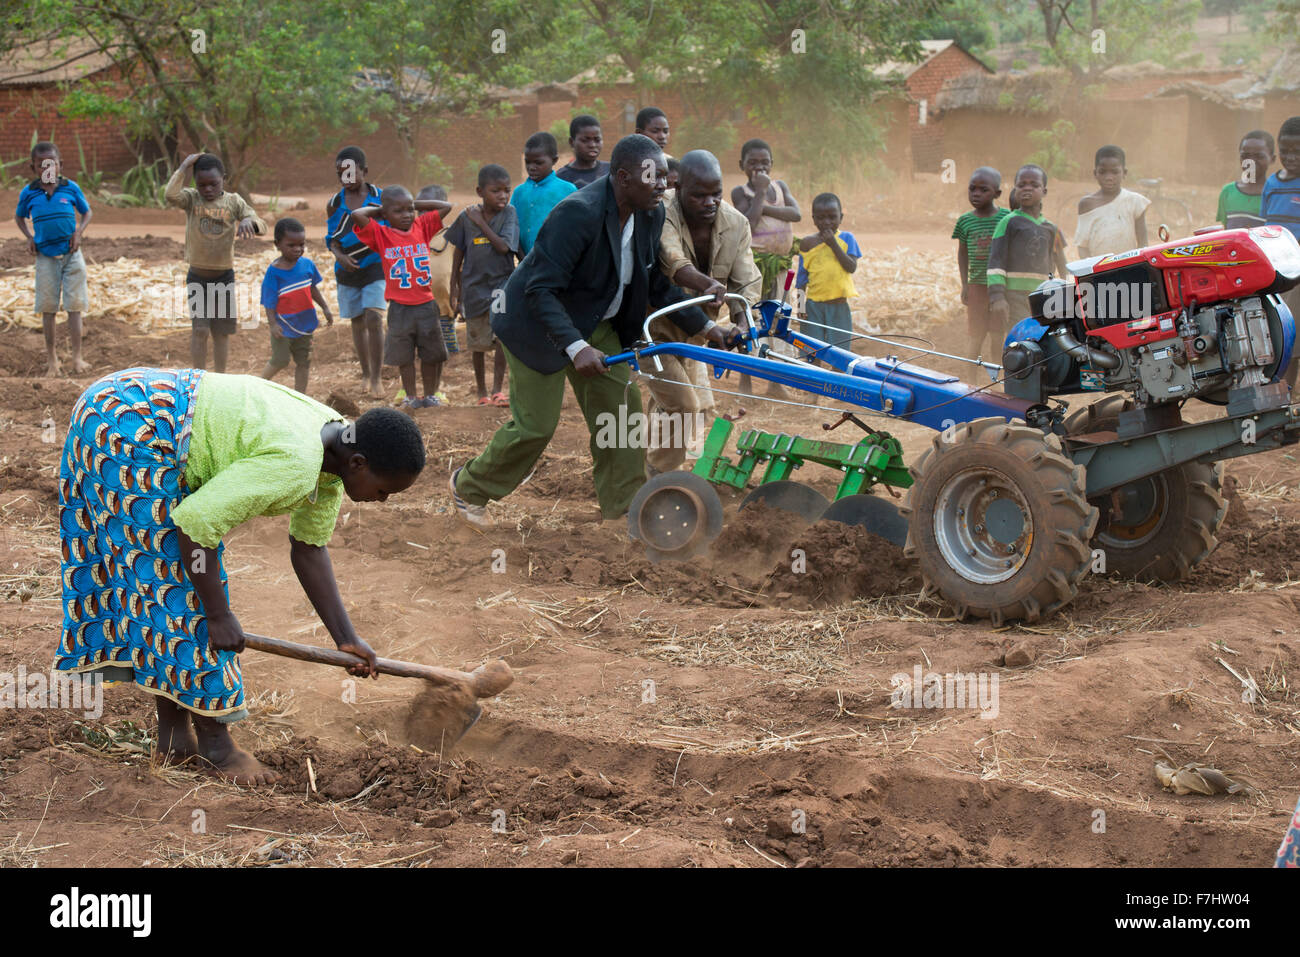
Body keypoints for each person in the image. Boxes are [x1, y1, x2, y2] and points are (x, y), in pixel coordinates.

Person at [55, 366, 426, 785]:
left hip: (136, 405)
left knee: (162, 585)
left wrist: (347, 638)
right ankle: (218, 749)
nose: (381, 500)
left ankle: (174, 740)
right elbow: (194, 525)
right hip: (129, 424)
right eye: (384, 490)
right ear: (359, 463)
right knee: (173, 583)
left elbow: (308, 549)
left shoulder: (333, 445)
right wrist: (217, 614)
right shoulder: (296, 462)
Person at [449, 135, 743, 527]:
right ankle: (469, 488)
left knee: (621, 415)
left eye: (664, 178)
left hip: (597, 322)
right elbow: (540, 289)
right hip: (537, 324)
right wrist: (574, 346)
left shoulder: (650, 214)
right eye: (653, 177)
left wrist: (707, 327)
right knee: (536, 426)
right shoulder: (577, 214)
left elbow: (652, 280)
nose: (663, 185)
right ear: (622, 177)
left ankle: (622, 510)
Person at [647, 149, 762, 476]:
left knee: (666, 404)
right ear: (678, 187)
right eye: (699, 195)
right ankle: (661, 482)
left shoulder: (736, 223)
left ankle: (645, 473)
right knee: (685, 405)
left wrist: (740, 321)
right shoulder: (661, 210)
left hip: (696, 332)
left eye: (717, 194)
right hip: (653, 328)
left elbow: (747, 280)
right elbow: (672, 260)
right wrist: (709, 285)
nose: (710, 202)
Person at [348, 185, 454, 410]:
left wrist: (413, 205)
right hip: (399, 308)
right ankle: (411, 396)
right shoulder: (381, 234)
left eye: (409, 210)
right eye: (398, 211)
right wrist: (379, 211)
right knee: (405, 357)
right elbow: (356, 215)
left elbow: (447, 206)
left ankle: (430, 395)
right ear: (385, 215)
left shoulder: (422, 226)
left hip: (426, 304)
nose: (406, 215)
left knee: (431, 354)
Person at [165, 153, 266, 374]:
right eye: (202, 184)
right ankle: (199, 375)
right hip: (197, 277)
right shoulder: (192, 199)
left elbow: (262, 224)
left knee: (221, 332)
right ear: (195, 183)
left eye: (213, 183)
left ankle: (220, 376)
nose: (208, 189)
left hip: (223, 277)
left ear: (224, 179)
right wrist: (183, 166)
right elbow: (170, 194)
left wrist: (249, 221)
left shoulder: (233, 201)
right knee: (200, 329)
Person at [14, 141, 93, 377]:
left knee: (75, 307)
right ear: (33, 168)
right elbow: (19, 217)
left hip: (72, 255)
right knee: (48, 309)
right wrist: (29, 237)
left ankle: (77, 358)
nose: (47, 168)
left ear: (60, 165)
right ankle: (52, 360)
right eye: (41, 165)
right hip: (46, 257)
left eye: (52, 164)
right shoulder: (29, 193)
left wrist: (79, 232)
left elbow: (87, 211)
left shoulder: (70, 188)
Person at [732, 138, 801, 396]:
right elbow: (747, 222)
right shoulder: (742, 193)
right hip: (756, 269)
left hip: (780, 268)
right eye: (752, 163)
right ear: (742, 165)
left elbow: (796, 214)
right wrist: (760, 193)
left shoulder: (780, 186)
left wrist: (765, 209)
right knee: (752, 318)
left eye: (764, 162)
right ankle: (746, 381)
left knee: (779, 319)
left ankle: (776, 383)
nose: (759, 168)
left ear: (772, 164)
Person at [447, 164, 520, 407]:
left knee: (502, 338)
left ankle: (498, 389)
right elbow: (458, 252)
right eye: (495, 191)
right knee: (477, 343)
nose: (502, 195)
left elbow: (503, 247)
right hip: (474, 289)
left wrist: (481, 223)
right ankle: (481, 392)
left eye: (506, 190)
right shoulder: (466, 218)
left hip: (501, 285)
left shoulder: (509, 214)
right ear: (480, 191)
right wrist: (454, 288)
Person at [325, 146, 385, 397]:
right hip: (347, 270)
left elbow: (391, 226)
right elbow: (332, 239)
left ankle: (378, 377)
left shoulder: (381, 198)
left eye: (352, 172)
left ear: (365, 171)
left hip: (375, 266)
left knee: (374, 317)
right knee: (358, 322)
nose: (347, 178)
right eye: (342, 174)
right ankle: (365, 373)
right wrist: (341, 257)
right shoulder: (335, 203)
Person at [987, 164, 1069, 333]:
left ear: (1044, 191)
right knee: (1023, 338)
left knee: (1046, 338)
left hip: (1044, 295)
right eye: (1021, 185)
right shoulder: (1008, 222)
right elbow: (996, 261)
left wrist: (1066, 290)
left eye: (1034, 185)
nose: (1027, 189)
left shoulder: (1051, 228)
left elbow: (1059, 261)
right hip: (1014, 295)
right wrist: (997, 297)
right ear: (1015, 189)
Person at [259, 218, 333, 394]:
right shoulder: (274, 272)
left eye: (301, 244)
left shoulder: (307, 265)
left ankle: (301, 396)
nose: (297, 249)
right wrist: (273, 325)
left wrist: (325, 307)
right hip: (283, 326)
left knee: (304, 361)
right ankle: (257, 385)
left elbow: (312, 288)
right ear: (277, 244)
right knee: (280, 360)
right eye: (291, 245)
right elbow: (269, 302)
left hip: (304, 324)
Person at [951, 166, 1009, 359]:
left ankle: (998, 377)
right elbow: (962, 254)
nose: (976, 194)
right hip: (976, 286)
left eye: (983, 190)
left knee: (997, 335)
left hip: (1000, 287)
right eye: (972, 189)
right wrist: (964, 284)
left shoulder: (1007, 218)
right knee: (976, 336)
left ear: (997, 193)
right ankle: (971, 380)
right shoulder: (965, 221)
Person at [1262, 116, 1300, 388]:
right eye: (1285, 150)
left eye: (1298, 150)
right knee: (1287, 336)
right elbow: (1267, 229)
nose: (1291, 156)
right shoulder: (1271, 185)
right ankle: (1285, 399)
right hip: (1280, 272)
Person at [795, 193, 861, 352]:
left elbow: (851, 267)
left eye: (832, 217)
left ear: (841, 217)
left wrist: (833, 245)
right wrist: (800, 306)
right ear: (813, 219)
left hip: (839, 306)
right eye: (821, 218)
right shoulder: (807, 243)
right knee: (810, 352)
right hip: (812, 308)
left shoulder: (847, 238)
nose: (827, 223)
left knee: (840, 354)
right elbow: (801, 280)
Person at [1075, 145, 1149, 258]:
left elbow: (1143, 244)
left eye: (1114, 172)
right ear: (1095, 173)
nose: (1109, 177)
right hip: (1099, 271)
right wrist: (1090, 273)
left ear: (1124, 173)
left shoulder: (1135, 202)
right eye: (1103, 172)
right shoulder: (1087, 204)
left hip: (1130, 268)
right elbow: (1082, 246)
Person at [510, 131, 577, 255]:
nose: (531, 167)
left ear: (554, 160)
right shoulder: (519, 193)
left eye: (538, 163)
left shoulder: (568, 190)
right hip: (525, 262)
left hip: (558, 262)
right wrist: (523, 259)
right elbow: (512, 229)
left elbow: (575, 230)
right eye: (527, 162)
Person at [1216, 130, 1274, 230]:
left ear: (1272, 159)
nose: (1250, 161)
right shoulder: (1228, 192)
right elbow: (1226, 230)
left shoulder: (1275, 194)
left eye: (1259, 156)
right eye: (1245, 156)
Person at [556, 115, 609, 189]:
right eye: (585, 140)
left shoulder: (610, 172)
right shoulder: (561, 178)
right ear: (571, 142)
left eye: (597, 140)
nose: (592, 145)